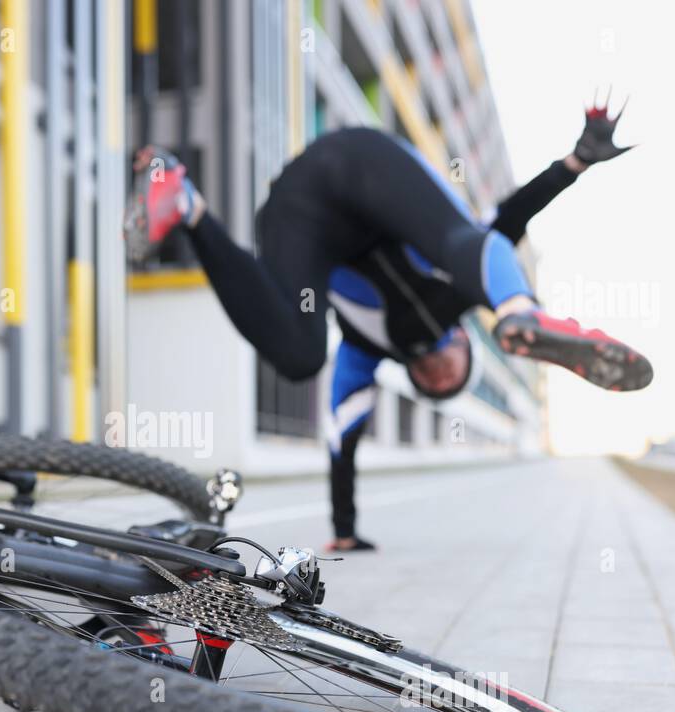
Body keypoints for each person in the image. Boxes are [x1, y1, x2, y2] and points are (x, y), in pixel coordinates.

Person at [124, 95, 648, 552]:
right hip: (364, 168)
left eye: (432, 384)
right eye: (452, 374)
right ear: (463, 343)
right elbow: (511, 217)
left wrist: (345, 530)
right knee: (473, 239)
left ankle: (187, 205)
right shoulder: (458, 294)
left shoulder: (365, 349)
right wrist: (576, 161)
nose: (439, 376)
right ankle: (518, 314)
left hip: (299, 212)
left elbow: (341, 437)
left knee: (301, 355)